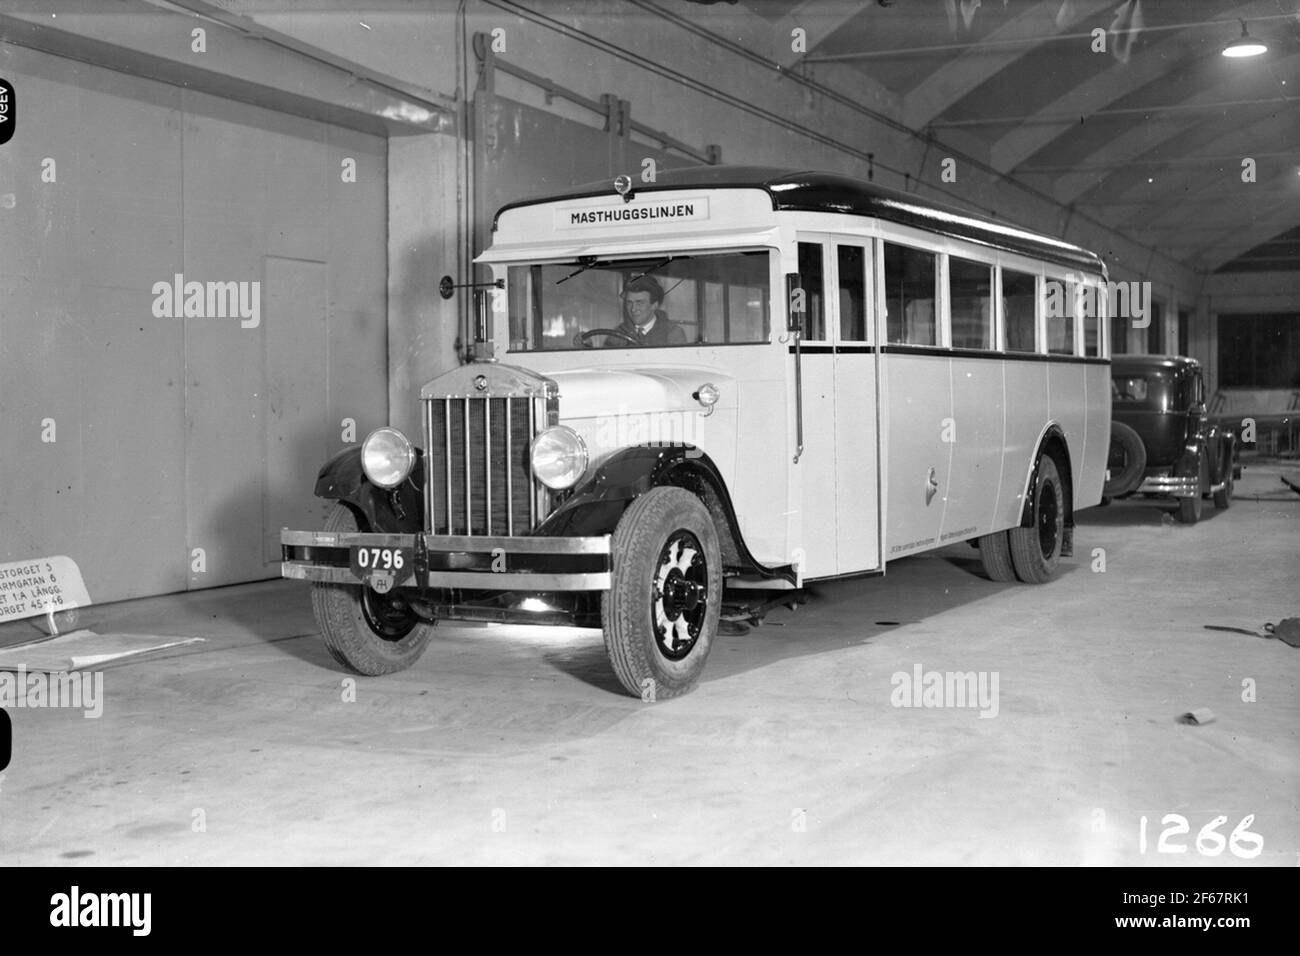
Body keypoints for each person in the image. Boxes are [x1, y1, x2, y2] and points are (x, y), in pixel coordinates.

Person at [617, 275, 686, 346]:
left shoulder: (672, 333)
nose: (633, 309)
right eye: (629, 302)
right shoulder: (619, 333)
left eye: (640, 302)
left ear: (654, 305)